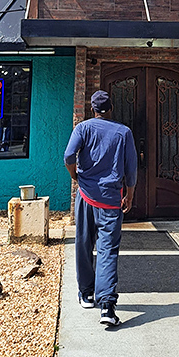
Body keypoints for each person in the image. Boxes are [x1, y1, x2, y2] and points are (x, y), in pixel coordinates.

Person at [64, 90, 137, 327]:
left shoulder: (83, 129)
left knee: (83, 244)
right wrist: (130, 195)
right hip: (111, 199)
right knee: (108, 251)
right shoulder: (124, 132)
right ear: (111, 107)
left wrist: (75, 175)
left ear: (92, 109)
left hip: (86, 195)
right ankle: (107, 306)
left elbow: (68, 155)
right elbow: (131, 169)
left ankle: (86, 294)